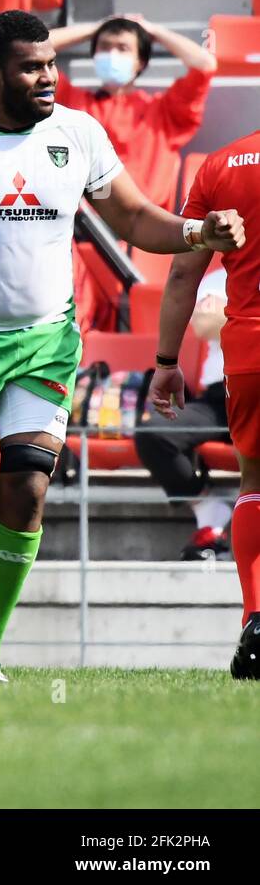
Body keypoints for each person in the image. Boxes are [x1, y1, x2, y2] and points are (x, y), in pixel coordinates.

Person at [0, 9, 242, 684]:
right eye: (32, 68)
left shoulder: (77, 132)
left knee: (27, 487)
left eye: (50, 64)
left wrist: (196, 233)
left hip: (45, 344)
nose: (50, 77)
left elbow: (131, 216)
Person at [149, 130, 260, 680]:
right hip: (232, 364)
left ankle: (257, 619)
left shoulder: (222, 164)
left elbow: (181, 271)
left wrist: (166, 361)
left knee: (255, 485)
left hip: (249, 350)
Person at [49, 15, 216, 212]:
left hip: (143, 232)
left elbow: (205, 65)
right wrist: (96, 27)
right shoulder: (69, 102)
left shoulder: (164, 111)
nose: (111, 54)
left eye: (123, 48)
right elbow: (28, 50)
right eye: (104, 46)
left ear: (141, 62)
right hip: (81, 229)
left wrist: (152, 30)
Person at [135, 266, 233, 560]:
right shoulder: (220, 276)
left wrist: (227, 314)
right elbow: (204, 324)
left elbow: (216, 318)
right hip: (222, 397)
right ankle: (208, 510)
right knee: (154, 435)